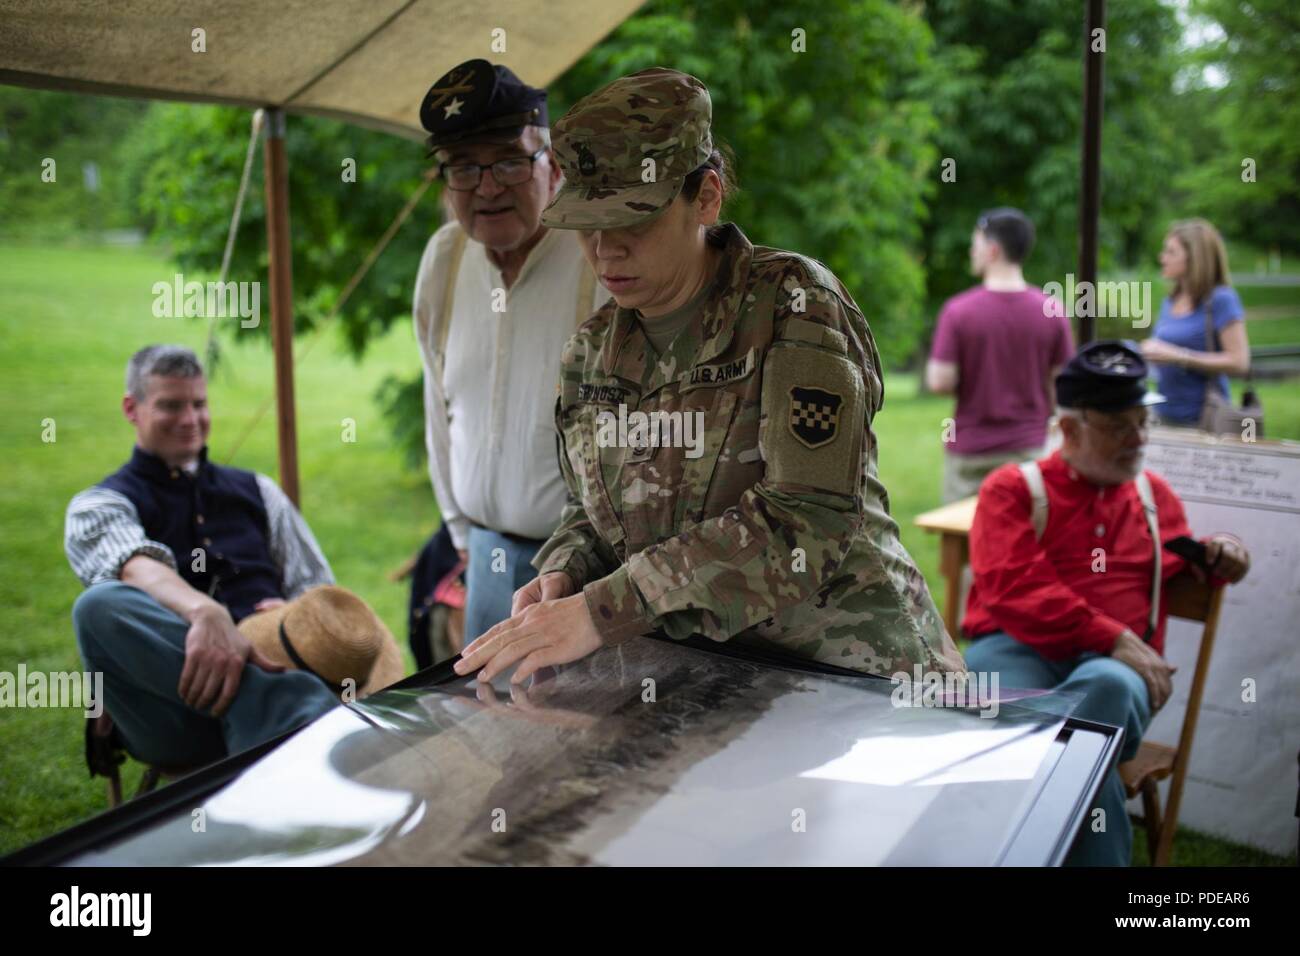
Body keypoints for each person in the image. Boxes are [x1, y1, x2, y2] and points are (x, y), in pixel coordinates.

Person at [453, 68, 965, 686]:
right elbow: (595, 509)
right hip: (715, 682)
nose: (606, 251)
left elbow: (805, 519)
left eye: (633, 221)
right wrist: (566, 568)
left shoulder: (792, 305)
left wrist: (603, 609)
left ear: (706, 198)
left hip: (858, 676)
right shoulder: (591, 350)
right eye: (588, 225)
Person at [961, 340, 1250, 866]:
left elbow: (1190, 558)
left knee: (1100, 692)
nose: (1139, 438)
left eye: (1144, 422)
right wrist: (1112, 635)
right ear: (1069, 429)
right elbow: (1014, 588)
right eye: (1120, 426)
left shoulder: (1152, 496)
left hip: (1113, 672)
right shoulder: (1013, 488)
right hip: (1017, 648)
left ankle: (1009, 801)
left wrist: (1225, 550)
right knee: (1062, 739)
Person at [64, 345, 396, 770]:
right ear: (132, 408)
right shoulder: (100, 504)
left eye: (199, 404)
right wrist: (206, 612)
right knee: (98, 606)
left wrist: (294, 614)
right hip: (178, 713)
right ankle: (293, 711)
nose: (190, 419)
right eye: (171, 406)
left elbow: (318, 588)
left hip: (287, 667)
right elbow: (133, 565)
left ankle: (283, 714)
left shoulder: (258, 491)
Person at [413, 58, 606, 643]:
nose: (487, 187)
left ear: (553, 165)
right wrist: (461, 535)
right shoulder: (444, 259)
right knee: (489, 701)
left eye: (508, 161)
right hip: (484, 558)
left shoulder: (602, 256)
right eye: (463, 167)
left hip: (591, 572)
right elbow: (438, 410)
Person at [926, 208, 1074, 502]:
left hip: (971, 454)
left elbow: (940, 381)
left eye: (976, 244)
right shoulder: (1053, 310)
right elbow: (1064, 387)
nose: (972, 251)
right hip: (1031, 452)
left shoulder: (959, 311)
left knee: (963, 529)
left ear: (993, 250)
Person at [1138, 218, 1251, 427]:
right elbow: (1165, 351)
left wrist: (1179, 356)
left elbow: (1239, 362)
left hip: (1203, 420)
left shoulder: (1221, 299)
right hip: (1163, 416)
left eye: (1171, 252)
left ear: (1195, 258)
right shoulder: (1170, 300)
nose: (1162, 258)